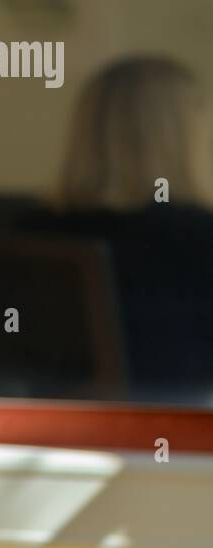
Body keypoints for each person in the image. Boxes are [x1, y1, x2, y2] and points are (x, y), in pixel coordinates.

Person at [19, 54, 213, 398]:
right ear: (182, 138)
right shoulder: (198, 236)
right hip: (182, 432)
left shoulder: (31, 230)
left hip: (53, 430)